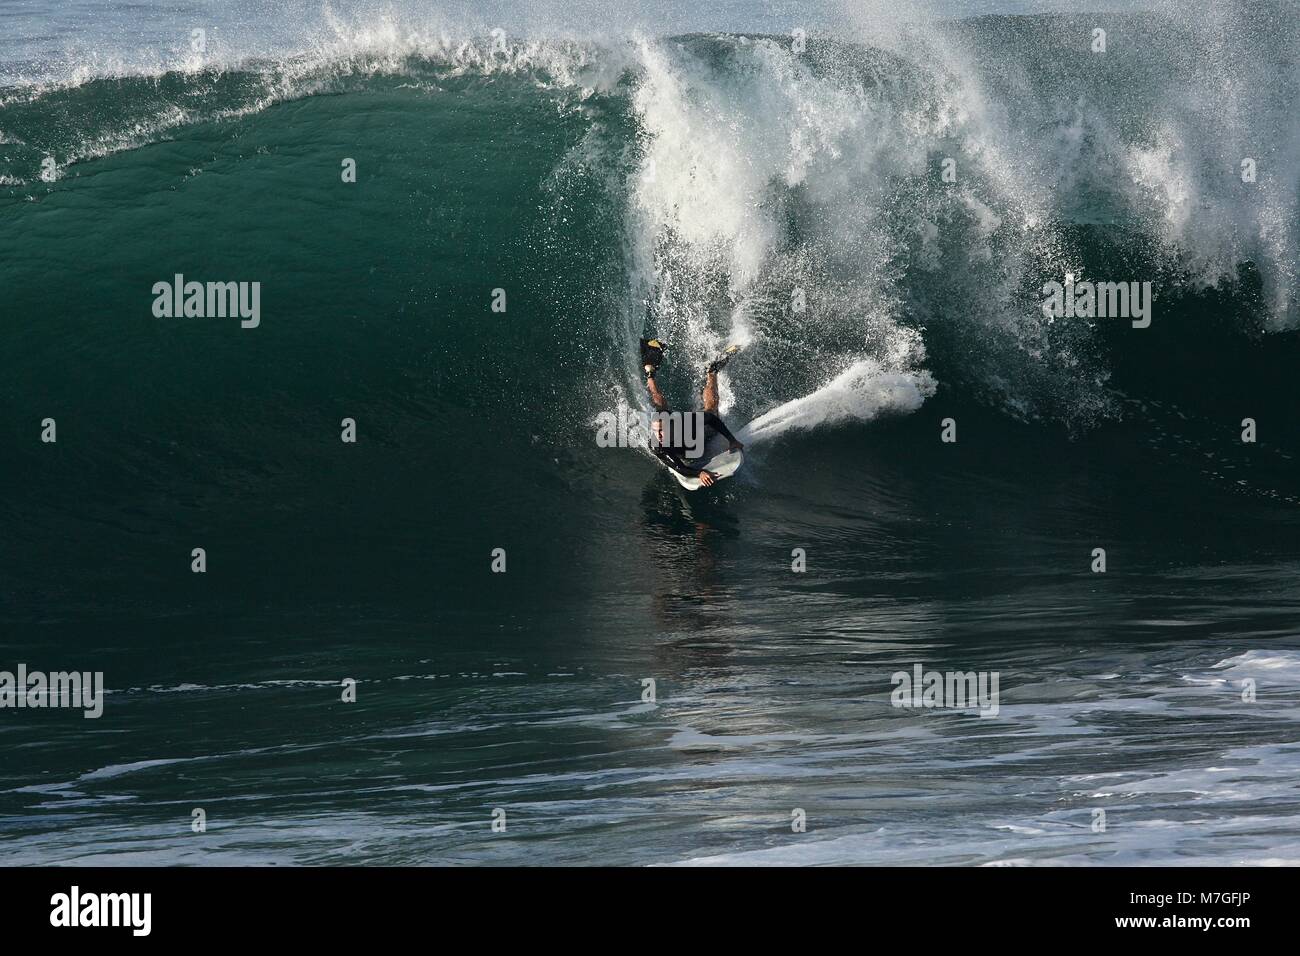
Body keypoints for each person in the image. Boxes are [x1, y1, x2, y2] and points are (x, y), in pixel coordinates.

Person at [641, 339, 744, 486]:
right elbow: (679, 467)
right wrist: (699, 473)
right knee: (660, 409)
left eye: (662, 432)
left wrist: (732, 440)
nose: (658, 436)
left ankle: (712, 370)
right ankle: (650, 374)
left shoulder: (685, 424)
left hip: (695, 436)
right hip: (682, 444)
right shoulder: (656, 445)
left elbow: (710, 419)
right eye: (656, 432)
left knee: (711, 409)